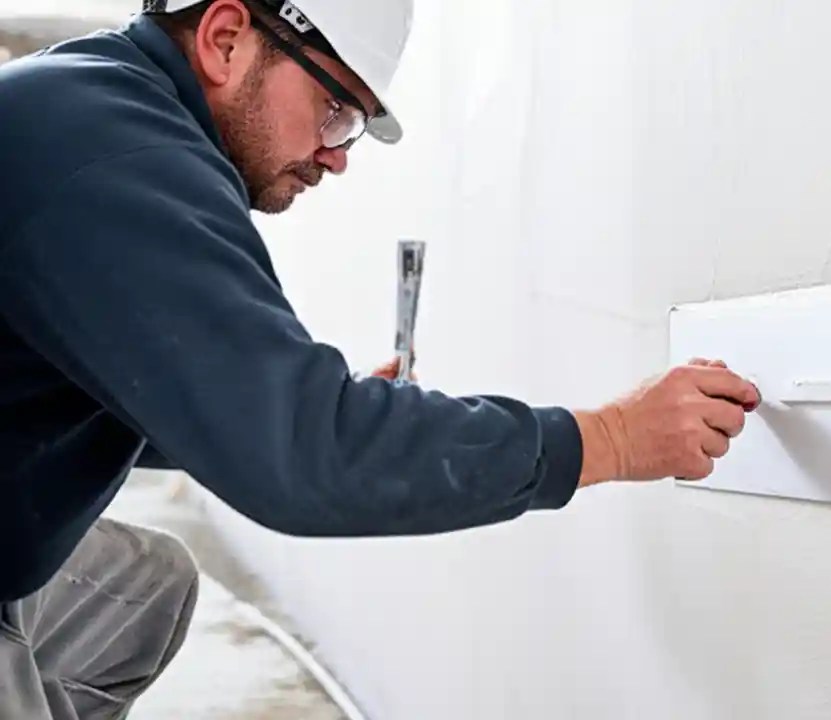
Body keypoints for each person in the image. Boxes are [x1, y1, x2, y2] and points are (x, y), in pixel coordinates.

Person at [0, 0, 761, 717]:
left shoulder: (92, 113)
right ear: (226, 38)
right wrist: (612, 440)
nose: (336, 158)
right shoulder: (122, 159)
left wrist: (287, 410)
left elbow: (134, 387)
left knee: (143, 588)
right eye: (336, 110)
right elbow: (306, 459)